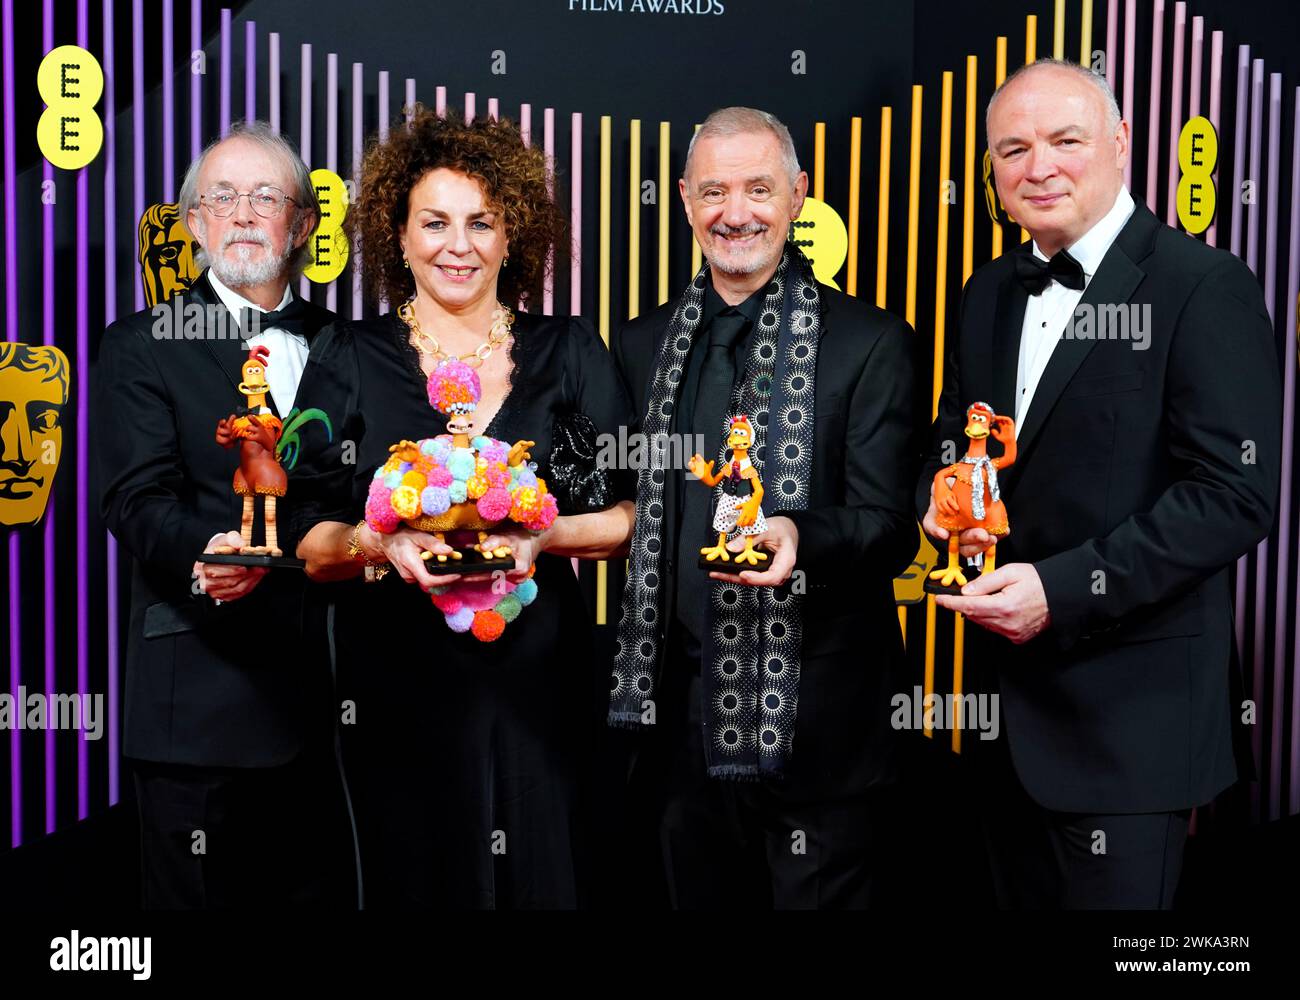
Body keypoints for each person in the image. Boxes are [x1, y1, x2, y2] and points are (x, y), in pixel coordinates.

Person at [917, 59, 1281, 908]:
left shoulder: (1203, 286)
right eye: (1012, 148)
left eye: (1064, 140)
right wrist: (942, 500)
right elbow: (955, 433)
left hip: (1129, 730)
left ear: (1120, 143)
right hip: (997, 721)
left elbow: (1234, 494)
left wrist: (1060, 588)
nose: (1037, 165)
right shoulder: (985, 293)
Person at [290, 108, 636, 909]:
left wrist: (547, 533)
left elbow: (631, 515)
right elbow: (307, 539)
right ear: (398, 235)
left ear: (514, 235)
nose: (459, 244)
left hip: (541, 683)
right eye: (435, 222)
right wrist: (383, 543)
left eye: (482, 222)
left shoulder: (571, 350)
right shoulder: (349, 353)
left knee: (547, 873)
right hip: (395, 683)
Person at [609, 107, 919, 909]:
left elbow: (892, 528)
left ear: (798, 196)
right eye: (713, 191)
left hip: (817, 727)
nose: (735, 213)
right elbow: (627, 508)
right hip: (675, 722)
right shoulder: (642, 344)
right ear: (683, 200)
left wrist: (794, 533)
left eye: (758, 188)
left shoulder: (872, 340)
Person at [96, 122, 349, 907]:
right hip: (199, 708)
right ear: (197, 224)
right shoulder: (141, 345)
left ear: (303, 224)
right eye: (223, 198)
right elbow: (134, 499)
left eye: (267, 196)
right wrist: (206, 551)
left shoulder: (354, 346)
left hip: (334, 713)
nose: (244, 214)